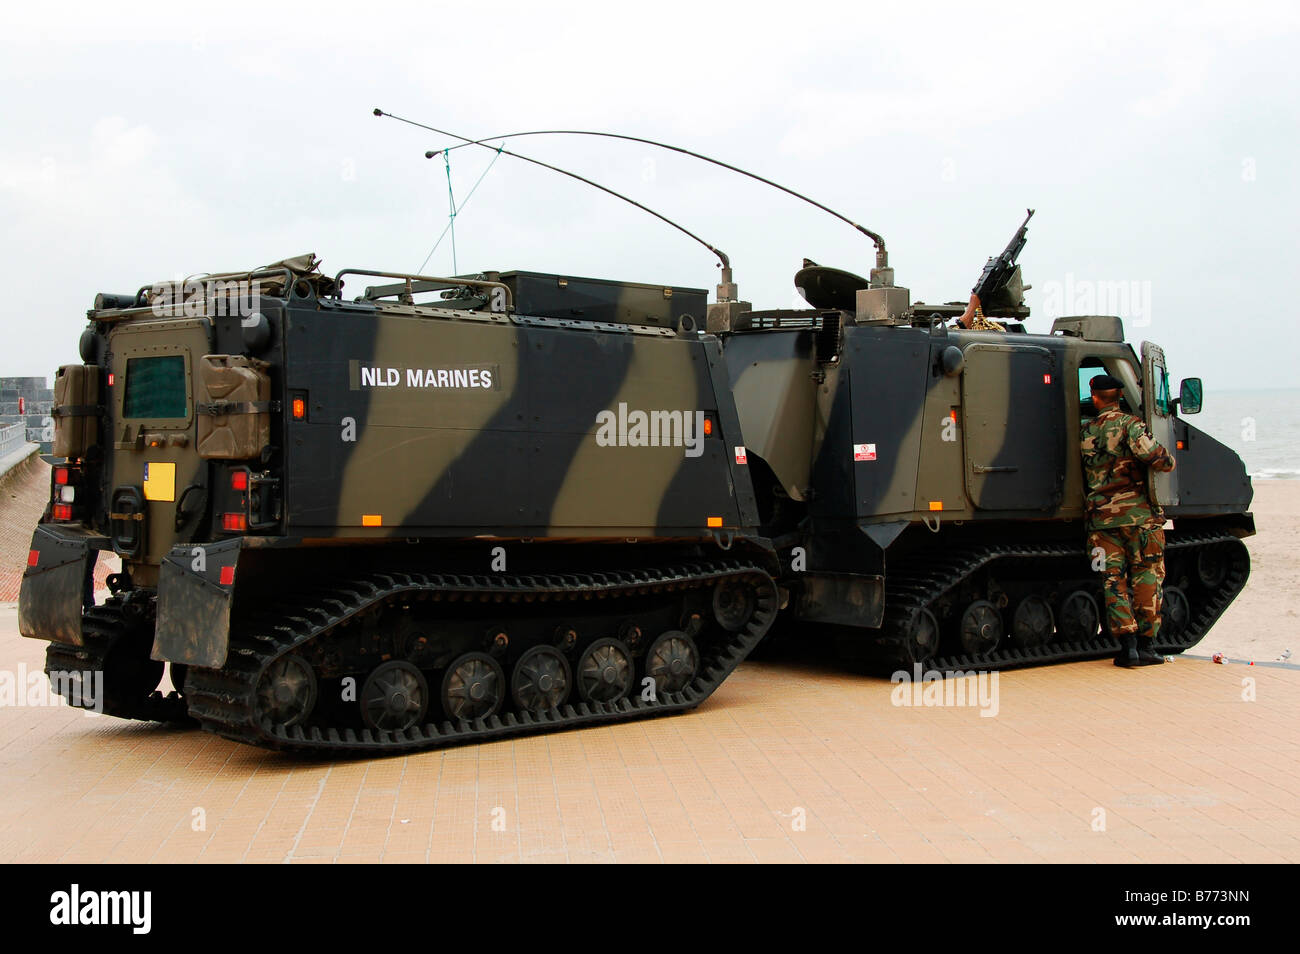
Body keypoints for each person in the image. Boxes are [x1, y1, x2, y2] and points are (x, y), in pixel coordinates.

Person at [1079, 373, 1177, 667]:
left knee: (1113, 581)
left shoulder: (1086, 432)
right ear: (1120, 395)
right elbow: (1159, 459)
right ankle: (1147, 645)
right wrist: (1168, 459)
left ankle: (1128, 647)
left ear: (1094, 397)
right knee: (1147, 576)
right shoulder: (1131, 426)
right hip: (1138, 518)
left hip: (1101, 522)